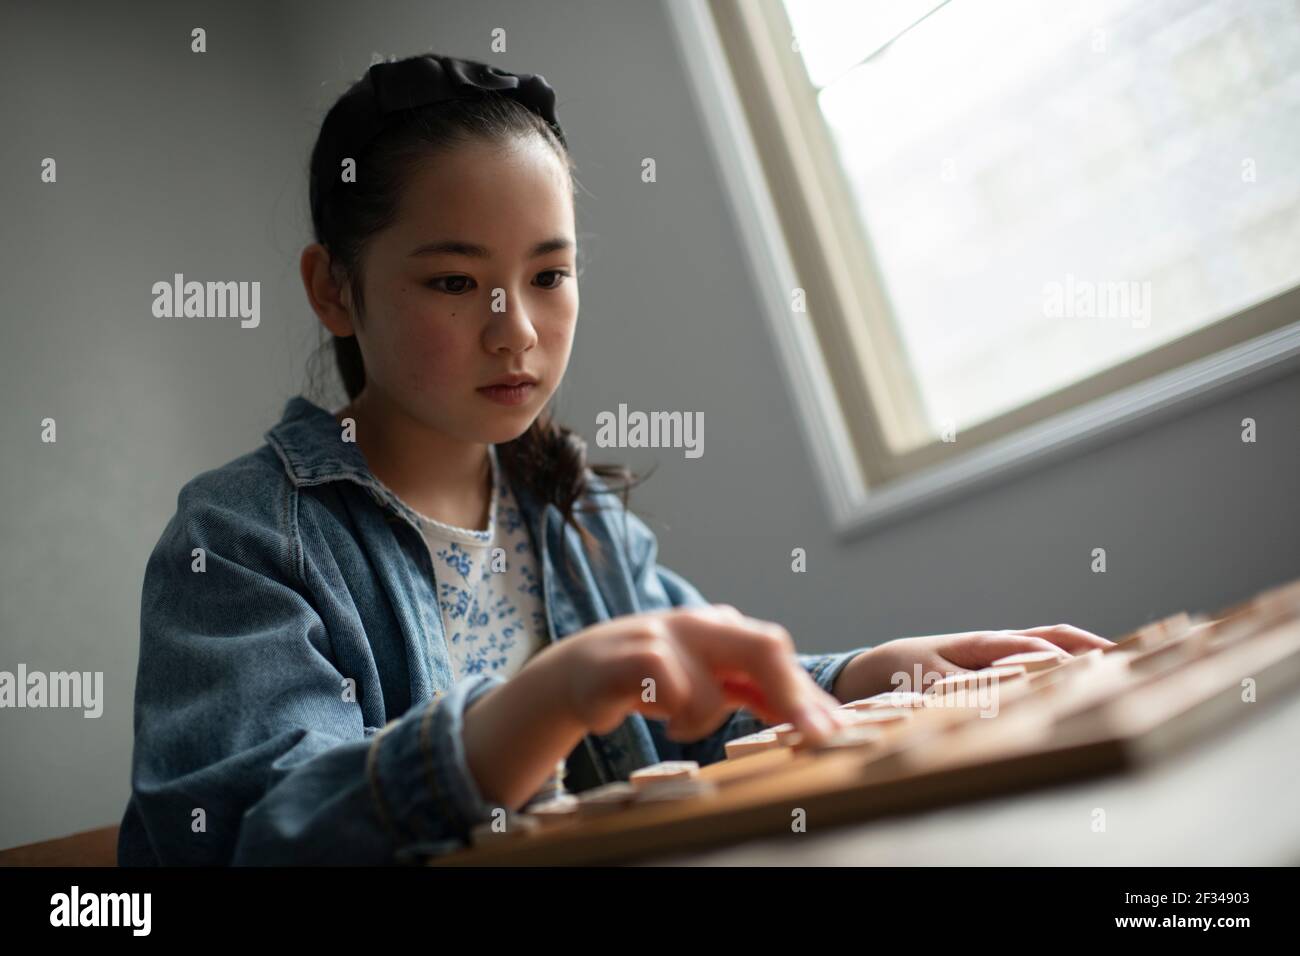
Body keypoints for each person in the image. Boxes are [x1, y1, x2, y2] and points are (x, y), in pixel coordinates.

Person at [118, 52, 1112, 866]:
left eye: (549, 273)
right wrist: (545, 699)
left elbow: (689, 715)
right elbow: (253, 841)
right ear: (334, 291)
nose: (516, 333)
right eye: (457, 280)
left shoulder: (572, 511)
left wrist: (859, 672)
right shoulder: (241, 539)